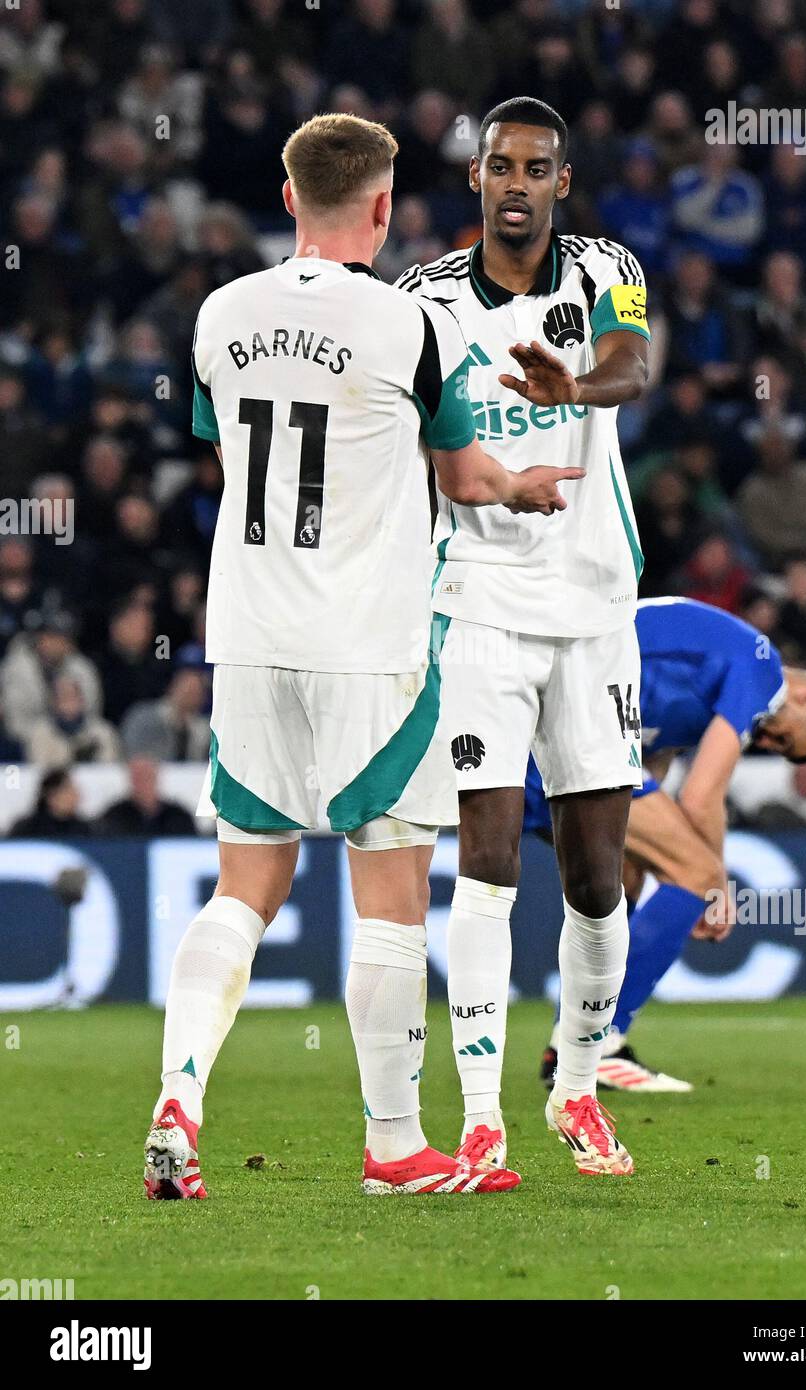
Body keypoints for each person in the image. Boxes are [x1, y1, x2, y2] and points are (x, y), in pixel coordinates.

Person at [144, 113, 577, 1202]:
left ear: (290, 198)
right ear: (382, 209)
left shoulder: (218, 312)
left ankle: (178, 1100)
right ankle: (394, 1145)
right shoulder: (409, 327)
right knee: (388, 894)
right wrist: (522, 487)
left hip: (244, 637)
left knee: (243, 883)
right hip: (367, 646)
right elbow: (465, 475)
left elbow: (230, 438)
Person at [397, 97, 650, 1179]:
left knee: (598, 880)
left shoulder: (608, 268)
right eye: (498, 164)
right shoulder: (419, 300)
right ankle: (482, 1115)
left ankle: (579, 1089)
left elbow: (632, 368)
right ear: (475, 178)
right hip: (480, 603)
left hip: (594, 608)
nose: (514, 182)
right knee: (488, 864)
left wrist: (576, 384)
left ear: (561, 180)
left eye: (535, 167)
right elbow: (397, 432)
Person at [527, 597, 806, 1092]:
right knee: (695, 873)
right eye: (786, 742)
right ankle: (601, 1042)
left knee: (625, 873)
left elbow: (653, 770)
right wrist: (713, 882)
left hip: (545, 731)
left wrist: (674, 862)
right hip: (579, 734)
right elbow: (701, 796)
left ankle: (566, 1047)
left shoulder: (696, 680)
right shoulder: (764, 673)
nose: (768, 744)